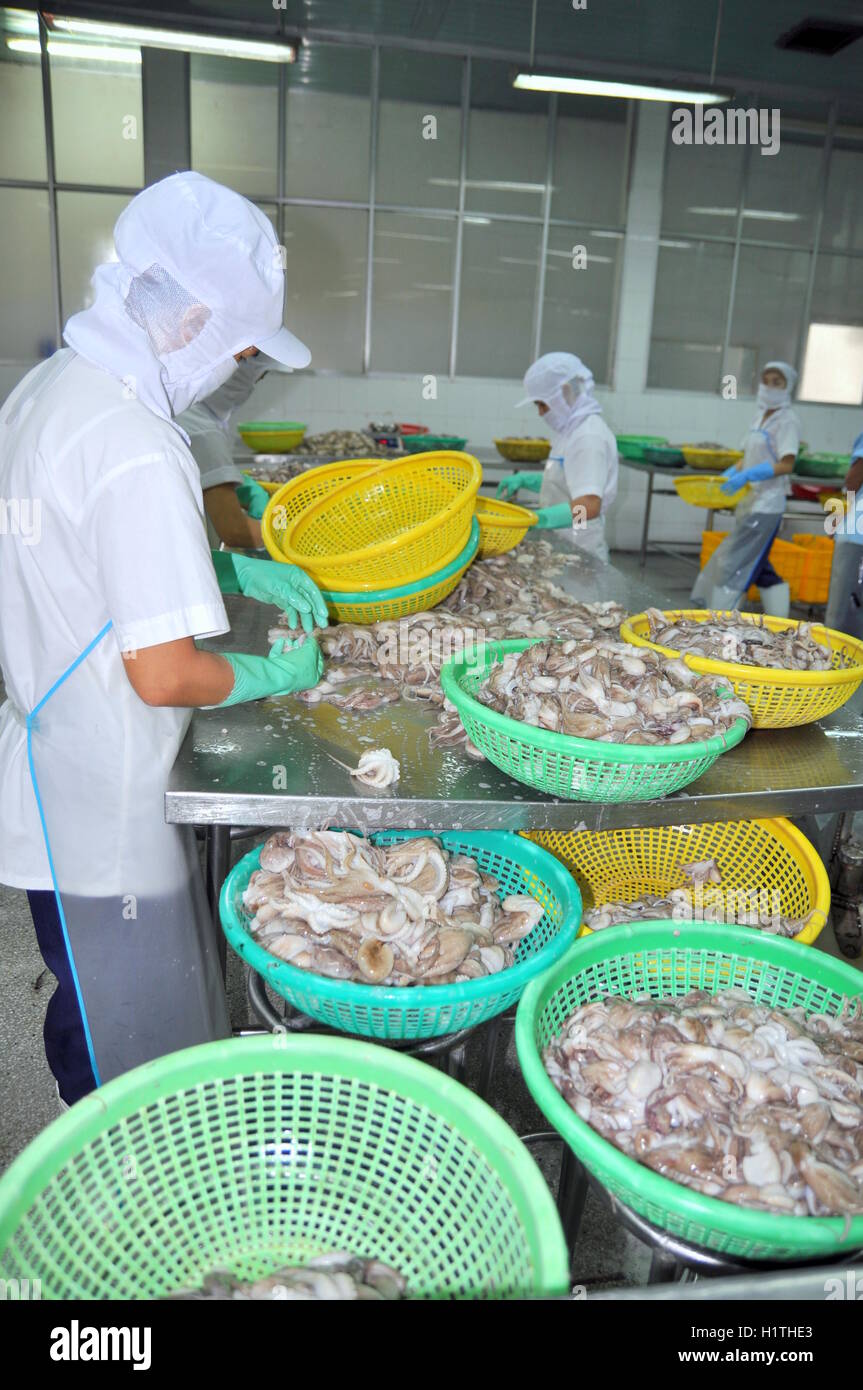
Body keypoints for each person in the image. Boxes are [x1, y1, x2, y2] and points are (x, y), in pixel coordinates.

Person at [0, 171, 329, 1107]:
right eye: (237, 345)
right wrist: (273, 672)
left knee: (86, 994)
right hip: (108, 794)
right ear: (190, 324)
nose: (232, 368)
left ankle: (94, 1147)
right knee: (126, 1036)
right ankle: (118, 1195)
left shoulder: (52, 389)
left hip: (48, 755)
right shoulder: (140, 443)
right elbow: (164, 672)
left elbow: (76, 559)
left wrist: (225, 572)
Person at [692, 361, 800, 617]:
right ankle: (779, 623)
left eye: (778, 382)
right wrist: (733, 472)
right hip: (750, 500)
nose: (770, 387)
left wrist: (753, 473)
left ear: (788, 386)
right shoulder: (760, 416)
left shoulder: (788, 421)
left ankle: (720, 617)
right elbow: (747, 456)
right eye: (767, 381)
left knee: (736, 562)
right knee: (758, 562)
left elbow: (787, 464)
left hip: (768, 503)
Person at [496, 351, 618, 563]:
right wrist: (526, 481)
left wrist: (542, 519)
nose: (541, 413)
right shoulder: (569, 431)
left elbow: (589, 506)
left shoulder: (588, 436)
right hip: (564, 544)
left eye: (542, 404)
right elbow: (570, 481)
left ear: (565, 392)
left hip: (580, 547)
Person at [178, 350, 285, 548]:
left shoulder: (182, 408)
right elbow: (236, 532)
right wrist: (290, 533)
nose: (252, 388)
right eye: (257, 379)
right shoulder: (203, 430)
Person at [825, 426, 863, 638]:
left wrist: (838, 516)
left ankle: (845, 669)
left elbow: (853, 480)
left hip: (857, 539)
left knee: (844, 620)